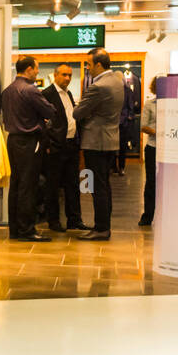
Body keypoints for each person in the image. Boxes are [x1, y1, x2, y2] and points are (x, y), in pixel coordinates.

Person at [0, 55, 56, 242]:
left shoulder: (8, 90)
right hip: (30, 141)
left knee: (16, 184)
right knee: (28, 186)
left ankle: (15, 229)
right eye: (37, 68)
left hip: (13, 140)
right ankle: (27, 230)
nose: (38, 71)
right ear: (29, 69)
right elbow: (50, 111)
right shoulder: (30, 90)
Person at [72, 47, 124, 241]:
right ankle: (103, 224)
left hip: (96, 141)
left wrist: (82, 109)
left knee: (95, 186)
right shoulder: (117, 82)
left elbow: (77, 113)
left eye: (89, 64)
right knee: (104, 185)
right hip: (111, 140)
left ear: (99, 65)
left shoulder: (98, 86)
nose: (87, 68)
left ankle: (101, 228)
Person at [41, 63, 89, 233]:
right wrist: (48, 144)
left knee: (73, 184)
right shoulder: (46, 94)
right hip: (55, 147)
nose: (67, 78)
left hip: (71, 145)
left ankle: (74, 220)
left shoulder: (68, 93)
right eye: (64, 75)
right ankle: (53, 221)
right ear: (55, 75)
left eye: (69, 75)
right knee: (52, 186)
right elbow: (43, 123)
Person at [139, 76, 159, 227]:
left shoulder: (175, 105)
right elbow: (143, 126)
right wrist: (159, 133)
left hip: (171, 149)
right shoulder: (150, 104)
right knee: (151, 182)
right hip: (153, 147)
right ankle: (147, 216)